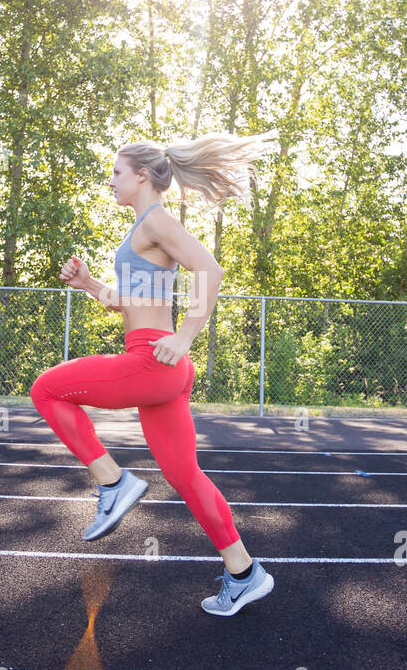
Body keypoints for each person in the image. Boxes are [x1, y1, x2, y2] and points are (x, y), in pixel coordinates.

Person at [30, 130, 279, 615]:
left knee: (46, 389)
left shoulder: (156, 221)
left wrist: (186, 335)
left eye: (117, 173)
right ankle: (245, 572)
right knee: (184, 474)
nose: (111, 182)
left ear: (141, 176)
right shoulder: (142, 229)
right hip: (162, 368)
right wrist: (88, 284)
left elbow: (210, 268)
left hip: (154, 359)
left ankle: (112, 482)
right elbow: (132, 303)